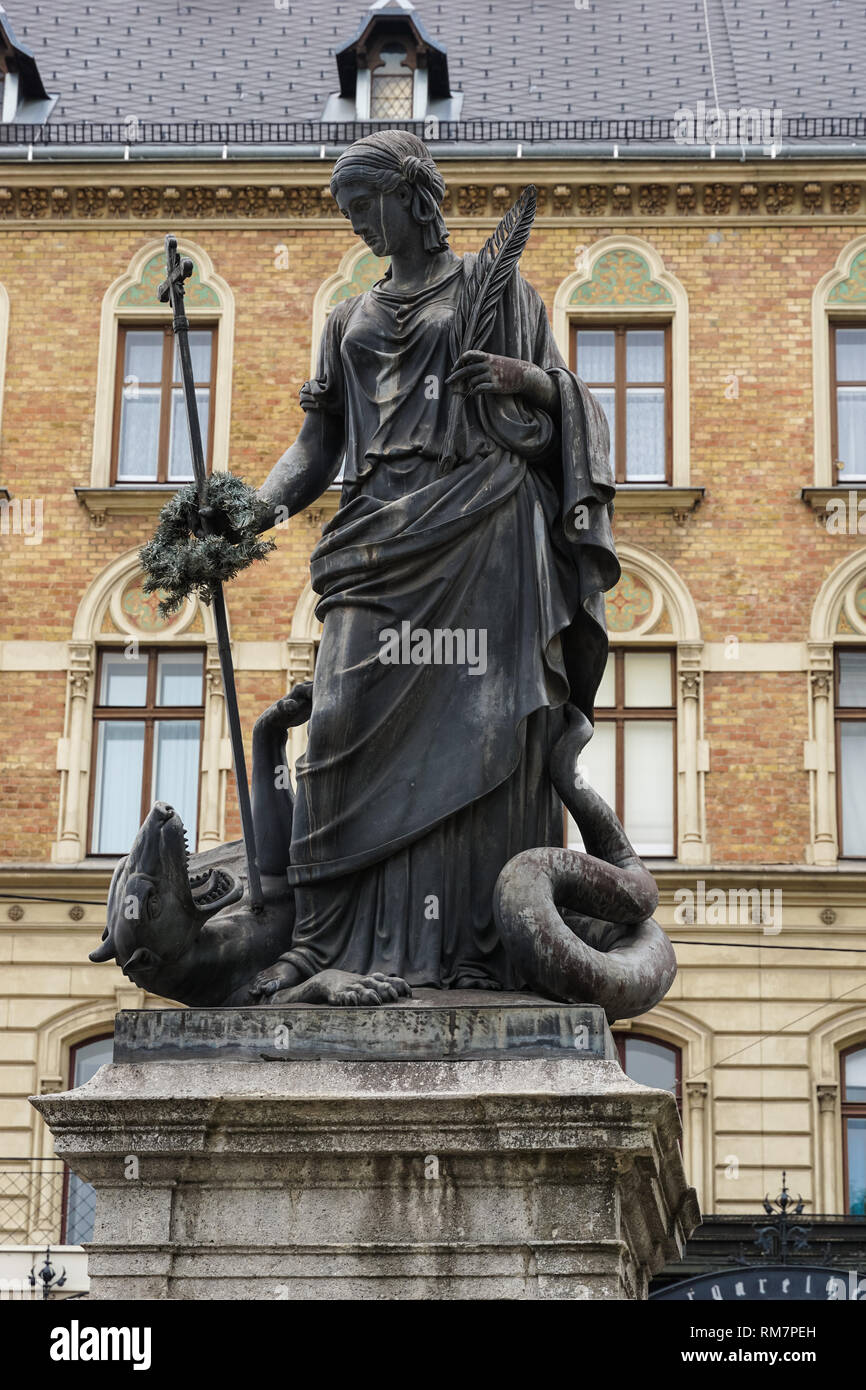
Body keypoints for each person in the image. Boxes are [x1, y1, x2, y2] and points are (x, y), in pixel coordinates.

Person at [237, 130, 619, 999]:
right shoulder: (347, 319)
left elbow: (567, 405)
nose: (358, 225)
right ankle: (326, 945)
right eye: (345, 213)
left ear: (414, 195)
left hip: (484, 522)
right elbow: (314, 448)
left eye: (365, 205)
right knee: (336, 726)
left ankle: (479, 953)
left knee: (490, 736)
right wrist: (245, 517)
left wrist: (522, 379)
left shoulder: (498, 289)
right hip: (374, 541)